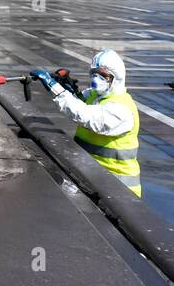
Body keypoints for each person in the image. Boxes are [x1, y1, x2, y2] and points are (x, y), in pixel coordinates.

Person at [32, 49, 141, 197]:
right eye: (94, 73)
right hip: (95, 177)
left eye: (103, 75)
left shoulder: (121, 108)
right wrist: (69, 89)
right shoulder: (97, 95)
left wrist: (55, 88)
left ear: (117, 78)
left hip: (118, 187)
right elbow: (80, 103)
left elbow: (84, 115)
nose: (97, 78)